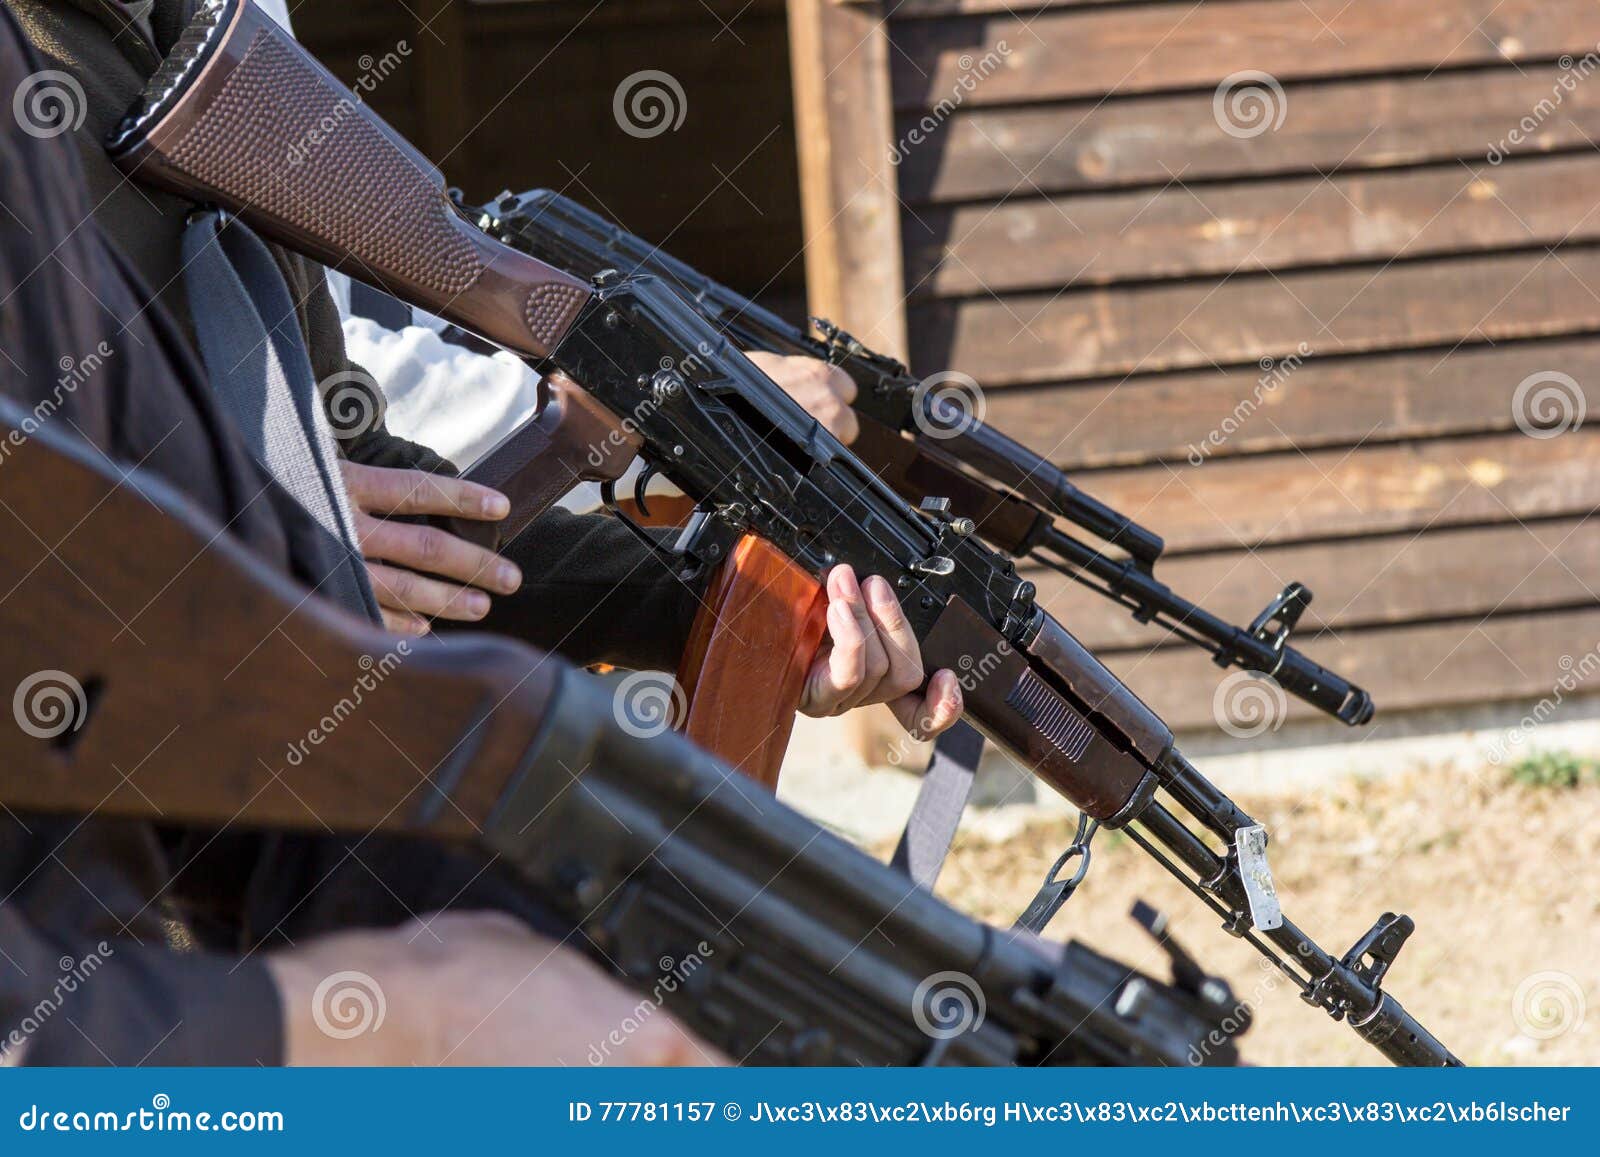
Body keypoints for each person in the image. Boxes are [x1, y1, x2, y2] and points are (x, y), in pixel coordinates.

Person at [0, 3, 722, 1066]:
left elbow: (359, 484)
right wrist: (398, 1009)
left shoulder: (197, 40)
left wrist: (715, 595)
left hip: (203, 927)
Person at [4, 0, 962, 740]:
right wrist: (223, 535)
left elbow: (383, 505)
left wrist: (748, 607)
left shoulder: (213, 45)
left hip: (272, 831)